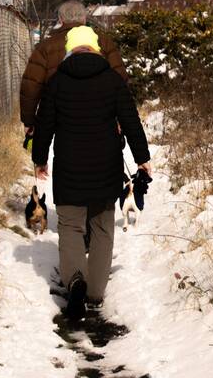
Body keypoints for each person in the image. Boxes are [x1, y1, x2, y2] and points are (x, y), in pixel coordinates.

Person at [30, 25, 150, 318]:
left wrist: (40, 158)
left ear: (71, 49)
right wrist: (142, 158)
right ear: (96, 48)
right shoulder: (112, 80)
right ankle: (95, 294)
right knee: (102, 228)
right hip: (105, 165)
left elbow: (44, 123)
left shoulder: (57, 82)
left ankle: (75, 282)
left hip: (70, 165)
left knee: (71, 227)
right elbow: (130, 120)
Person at [19, 0, 129, 137]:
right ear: (84, 18)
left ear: (60, 19)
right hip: (101, 116)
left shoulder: (45, 46)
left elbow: (31, 86)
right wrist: (121, 118)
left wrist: (29, 121)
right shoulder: (104, 42)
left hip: (62, 119)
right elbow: (120, 79)